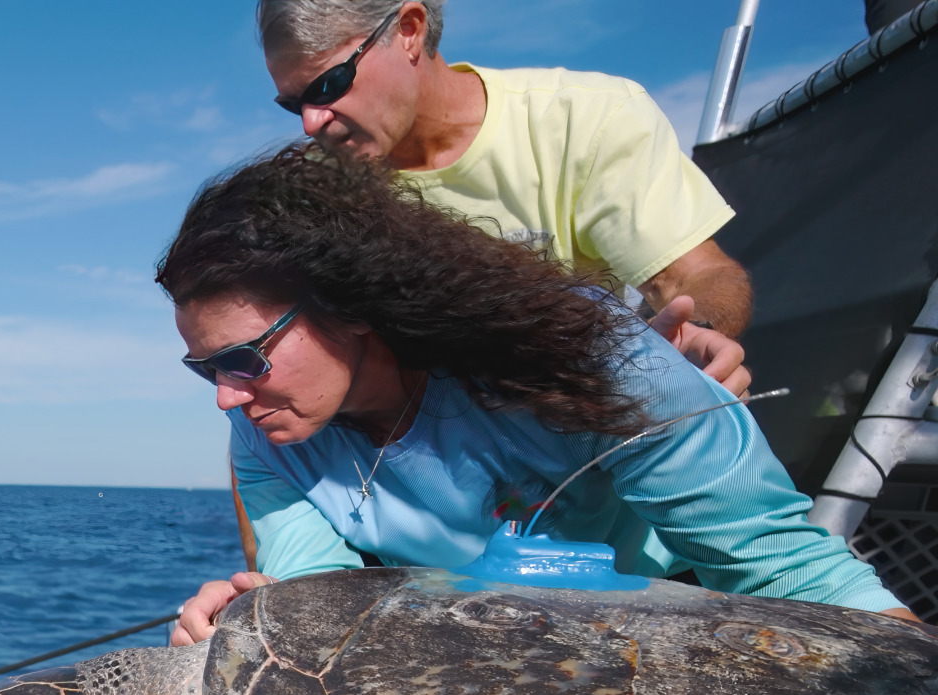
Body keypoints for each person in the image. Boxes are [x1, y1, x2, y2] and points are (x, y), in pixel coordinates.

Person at [157, 148, 920, 645]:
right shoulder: (268, 436)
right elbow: (322, 612)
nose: (227, 399)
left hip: (669, 636)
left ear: (350, 303)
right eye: (207, 371)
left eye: (245, 358)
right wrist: (249, 629)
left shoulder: (591, 362)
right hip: (466, 659)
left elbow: (784, 571)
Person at [256, 0, 751, 387]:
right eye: (292, 103)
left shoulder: (587, 119)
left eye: (328, 85)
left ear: (409, 29)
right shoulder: (307, 196)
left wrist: (697, 331)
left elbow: (697, 275)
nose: (309, 122)